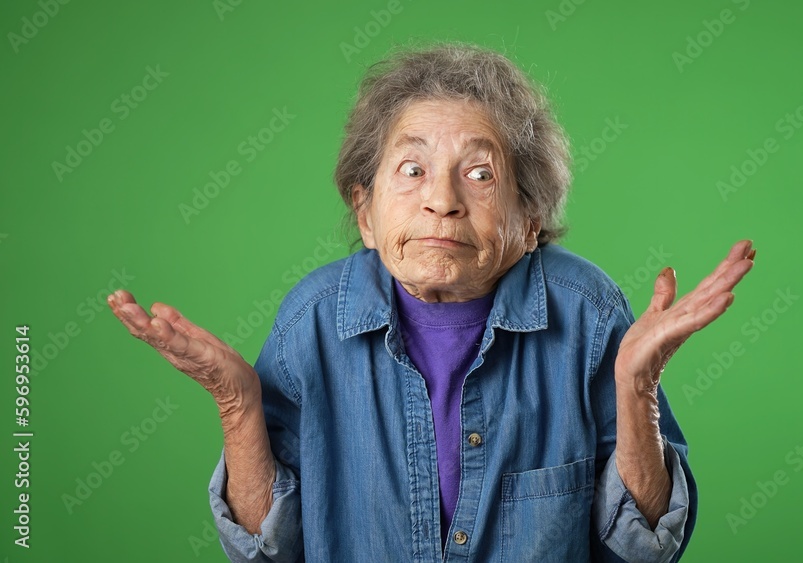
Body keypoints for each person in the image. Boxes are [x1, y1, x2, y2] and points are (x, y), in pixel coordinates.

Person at [108, 42, 754, 562]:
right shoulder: (314, 316)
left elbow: (646, 549)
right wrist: (238, 403)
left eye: (480, 174)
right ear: (364, 211)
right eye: (412, 169)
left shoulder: (585, 308)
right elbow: (268, 550)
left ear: (530, 219)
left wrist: (636, 386)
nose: (441, 199)